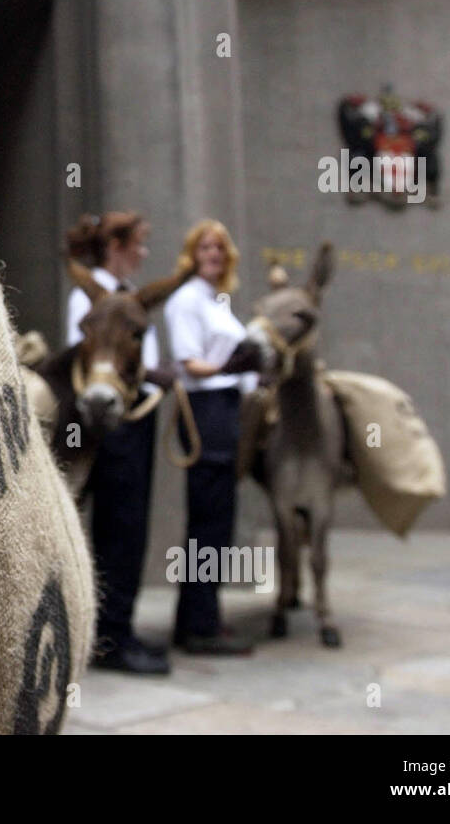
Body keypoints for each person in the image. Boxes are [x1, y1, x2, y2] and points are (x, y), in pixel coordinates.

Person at [66, 212, 177, 675]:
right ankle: (109, 638)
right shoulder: (89, 295)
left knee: (131, 529)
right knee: (116, 526)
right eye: (137, 244)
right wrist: (151, 374)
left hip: (138, 416)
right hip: (110, 421)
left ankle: (121, 626)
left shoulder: (128, 296)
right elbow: (91, 356)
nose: (143, 253)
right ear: (115, 246)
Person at [163, 219, 261, 655]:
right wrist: (229, 368)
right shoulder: (187, 300)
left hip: (227, 409)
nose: (214, 255)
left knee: (216, 526)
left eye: (220, 249)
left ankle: (197, 620)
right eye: (205, 248)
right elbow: (188, 362)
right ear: (192, 253)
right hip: (207, 411)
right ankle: (201, 627)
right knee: (208, 526)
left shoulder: (218, 301)